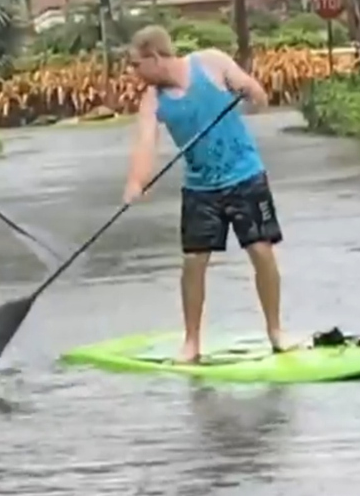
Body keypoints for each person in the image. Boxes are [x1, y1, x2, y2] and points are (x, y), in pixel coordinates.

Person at [121, 25, 285, 364]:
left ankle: (275, 331)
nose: (133, 72)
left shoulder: (210, 62)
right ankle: (192, 342)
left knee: (261, 251)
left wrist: (249, 90)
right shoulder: (153, 100)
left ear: (154, 56)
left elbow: (260, 98)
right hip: (200, 188)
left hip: (245, 176)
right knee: (194, 263)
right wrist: (136, 182)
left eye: (136, 64)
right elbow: (145, 144)